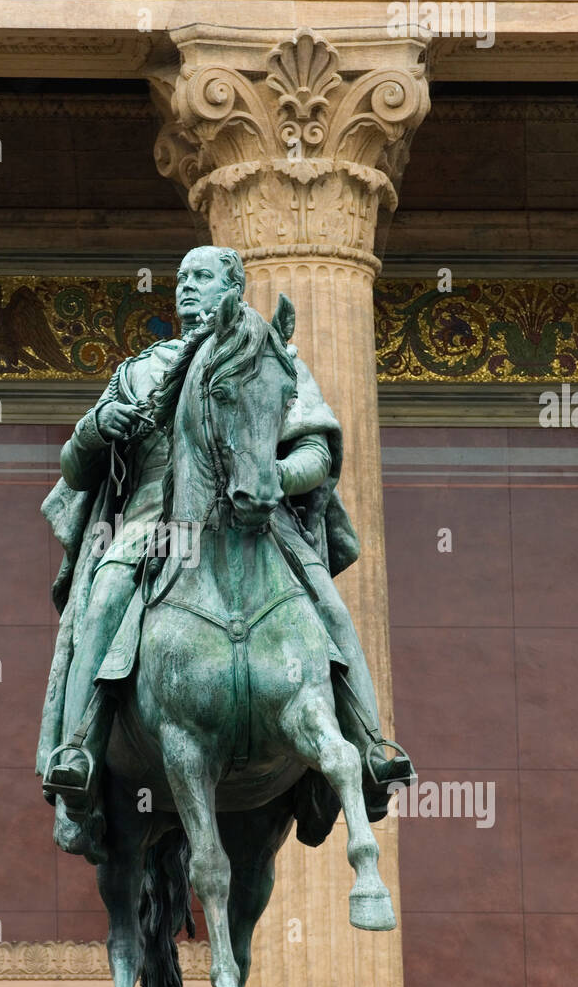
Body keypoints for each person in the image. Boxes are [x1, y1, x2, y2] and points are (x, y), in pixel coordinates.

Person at [37, 246, 411, 864]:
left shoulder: (269, 359)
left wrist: (272, 478)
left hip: (253, 519)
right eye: (181, 279)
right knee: (102, 599)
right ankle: (76, 752)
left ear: (233, 289)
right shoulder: (138, 372)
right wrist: (100, 425)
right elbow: (75, 471)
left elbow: (316, 454)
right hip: (155, 523)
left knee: (327, 601)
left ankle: (371, 745)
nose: (187, 289)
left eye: (203, 278)